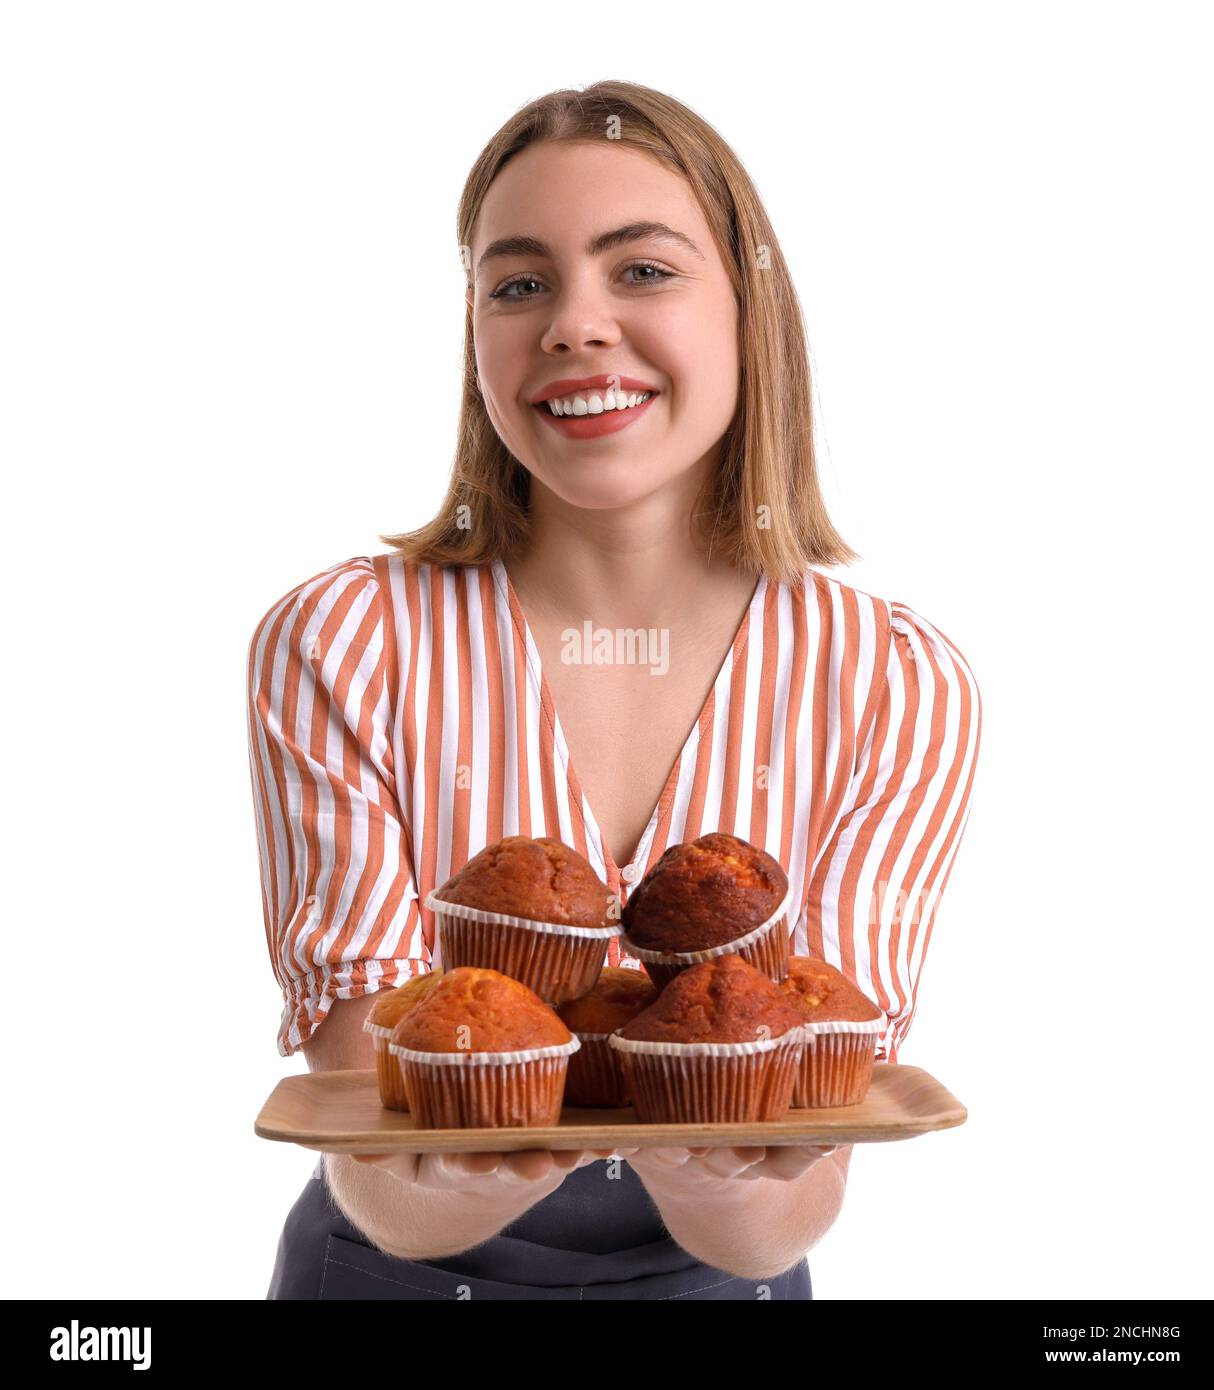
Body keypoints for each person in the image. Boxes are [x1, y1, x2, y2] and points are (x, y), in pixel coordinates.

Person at [246, 79, 982, 1300]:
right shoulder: (345, 642)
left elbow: (787, 1199)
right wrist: (468, 1161)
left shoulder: (890, 683)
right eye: (519, 283)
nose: (576, 325)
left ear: (751, 309)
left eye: (642, 270)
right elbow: (370, 1145)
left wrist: (712, 1169)